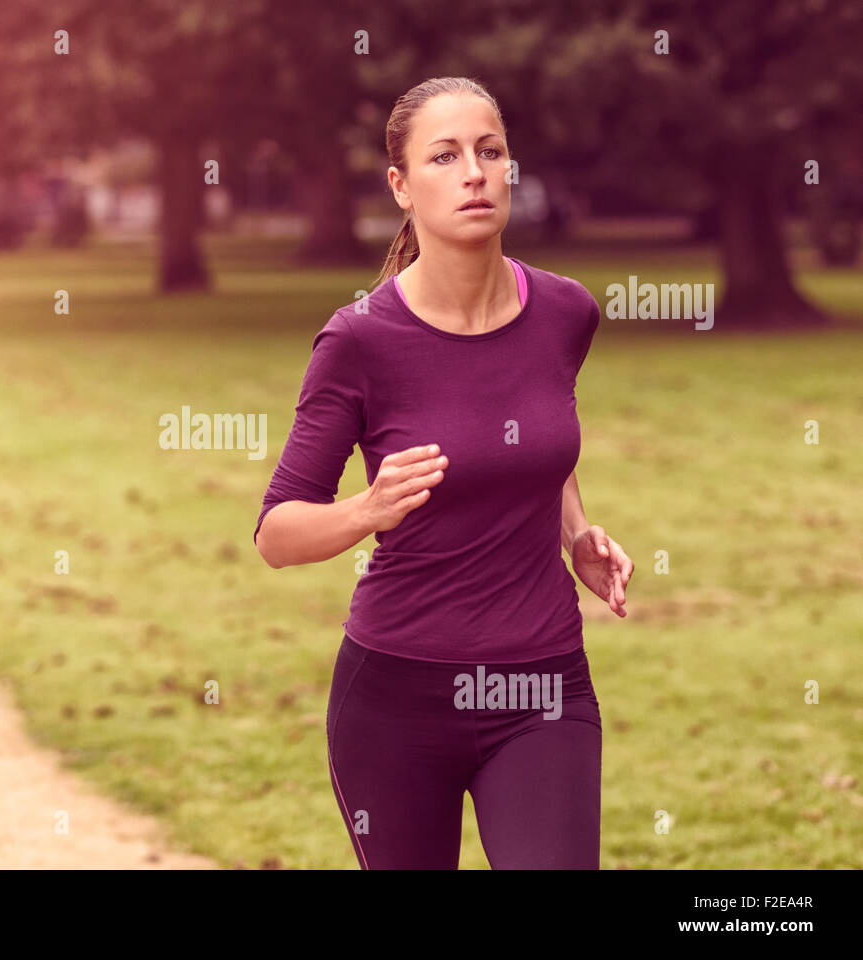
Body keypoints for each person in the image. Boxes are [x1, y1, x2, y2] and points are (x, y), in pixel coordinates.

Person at [252, 77, 633, 869]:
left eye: (490, 152)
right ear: (401, 185)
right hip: (395, 700)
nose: (473, 173)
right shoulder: (358, 341)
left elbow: (537, 445)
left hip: (542, 688)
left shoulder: (564, 313)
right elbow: (277, 535)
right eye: (446, 155)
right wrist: (369, 509)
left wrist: (576, 534)